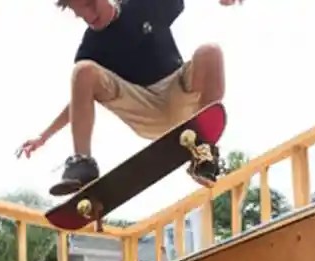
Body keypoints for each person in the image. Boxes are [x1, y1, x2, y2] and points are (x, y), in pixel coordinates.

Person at [18, 0, 242, 196]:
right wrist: (44, 136)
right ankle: (82, 162)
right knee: (82, 71)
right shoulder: (91, 46)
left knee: (210, 52)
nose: (88, 16)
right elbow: (78, 103)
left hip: (180, 94)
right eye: (80, 13)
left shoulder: (144, 4)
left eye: (89, 4)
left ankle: (204, 151)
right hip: (141, 107)